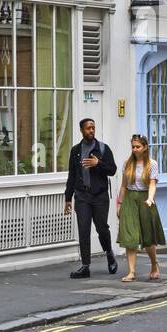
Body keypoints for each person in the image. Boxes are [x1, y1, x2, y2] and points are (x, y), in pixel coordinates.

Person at [63, 118, 118, 278]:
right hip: (82, 196)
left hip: (100, 196)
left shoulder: (103, 148)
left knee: (102, 228)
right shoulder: (75, 151)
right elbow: (72, 176)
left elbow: (112, 170)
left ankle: (109, 253)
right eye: (88, 128)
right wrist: (68, 198)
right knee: (83, 229)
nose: (91, 131)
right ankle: (85, 266)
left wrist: (98, 163)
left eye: (93, 128)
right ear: (82, 130)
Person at [116, 134, 166, 283]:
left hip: (145, 199)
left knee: (148, 238)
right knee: (130, 237)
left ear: (145, 147)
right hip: (130, 200)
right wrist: (119, 204)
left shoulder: (152, 164)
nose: (135, 149)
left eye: (138, 146)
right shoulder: (127, 163)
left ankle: (154, 264)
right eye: (133, 147)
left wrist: (150, 198)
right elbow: (124, 186)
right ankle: (131, 272)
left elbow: (152, 184)